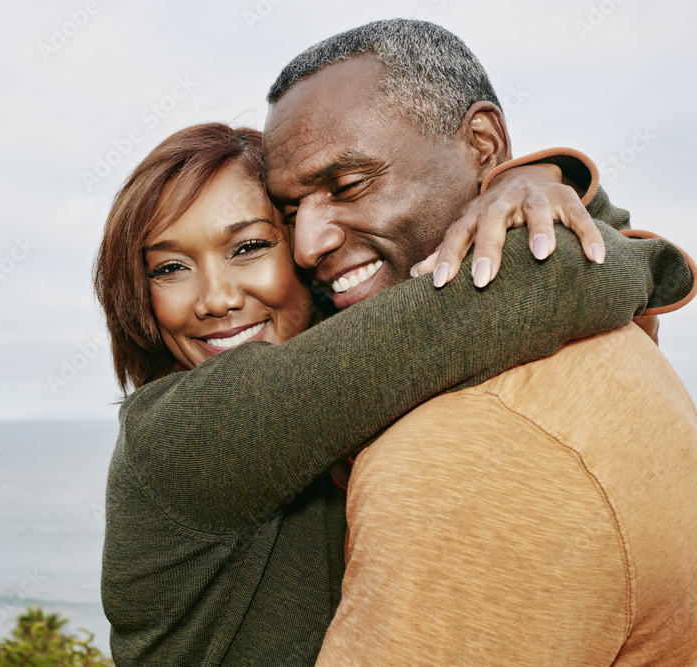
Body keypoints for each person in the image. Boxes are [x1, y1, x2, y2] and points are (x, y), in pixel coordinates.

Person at [95, 122, 694, 664]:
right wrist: (542, 193)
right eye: (169, 267)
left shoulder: (352, 400)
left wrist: (528, 188)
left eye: (249, 247)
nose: (216, 299)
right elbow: (556, 275)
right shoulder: (182, 438)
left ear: (308, 250)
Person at [259, 20, 697, 664]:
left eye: (349, 186)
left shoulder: (466, 444)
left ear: (483, 144)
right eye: (290, 213)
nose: (308, 244)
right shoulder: (583, 335)